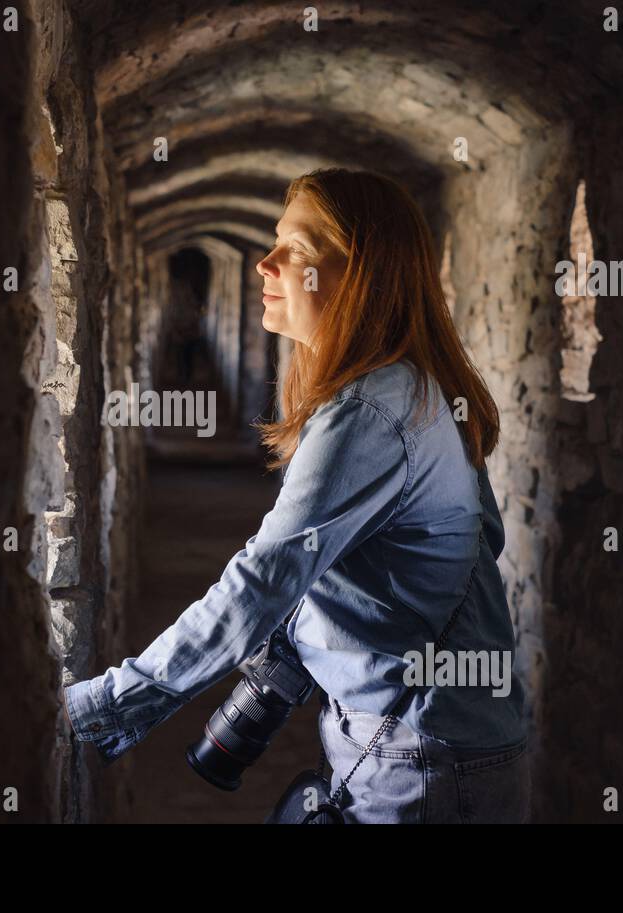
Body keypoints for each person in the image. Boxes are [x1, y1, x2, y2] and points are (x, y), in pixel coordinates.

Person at [60, 168, 530, 823]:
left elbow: (260, 581)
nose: (265, 263)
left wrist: (104, 703)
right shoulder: (418, 389)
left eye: (298, 251)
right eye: (275, 243)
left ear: (362, 276)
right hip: (446, 744)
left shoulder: (371, 408)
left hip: (420, 763)